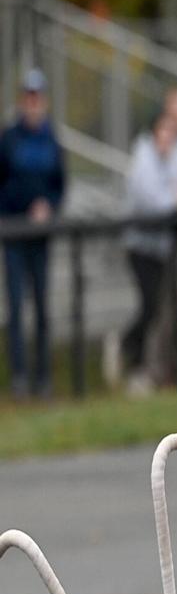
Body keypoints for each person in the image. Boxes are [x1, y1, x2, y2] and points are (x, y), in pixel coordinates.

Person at [0, 69, 65, 401]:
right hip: (14, 233)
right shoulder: (9, 139)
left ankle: (43, 377)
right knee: (16, 307)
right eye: (28, 96)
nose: (32, 102)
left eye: (37, 96)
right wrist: (16, 209)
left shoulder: (52, 139)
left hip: (40, 237)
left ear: (44, 100)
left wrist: (47, 206)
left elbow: (59, 185)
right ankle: (19, 377)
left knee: (41, 307)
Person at [121, 112, 177, 388]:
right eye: (163, 130)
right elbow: (152, 201)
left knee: (160, 310)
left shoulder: (173, 157)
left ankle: (147, 365)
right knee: (150, 306)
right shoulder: (143, 159)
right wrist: (175, 199)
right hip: (141, 247)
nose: (168, 137)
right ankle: (127, 349)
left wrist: (176, 197)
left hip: (162, 248)